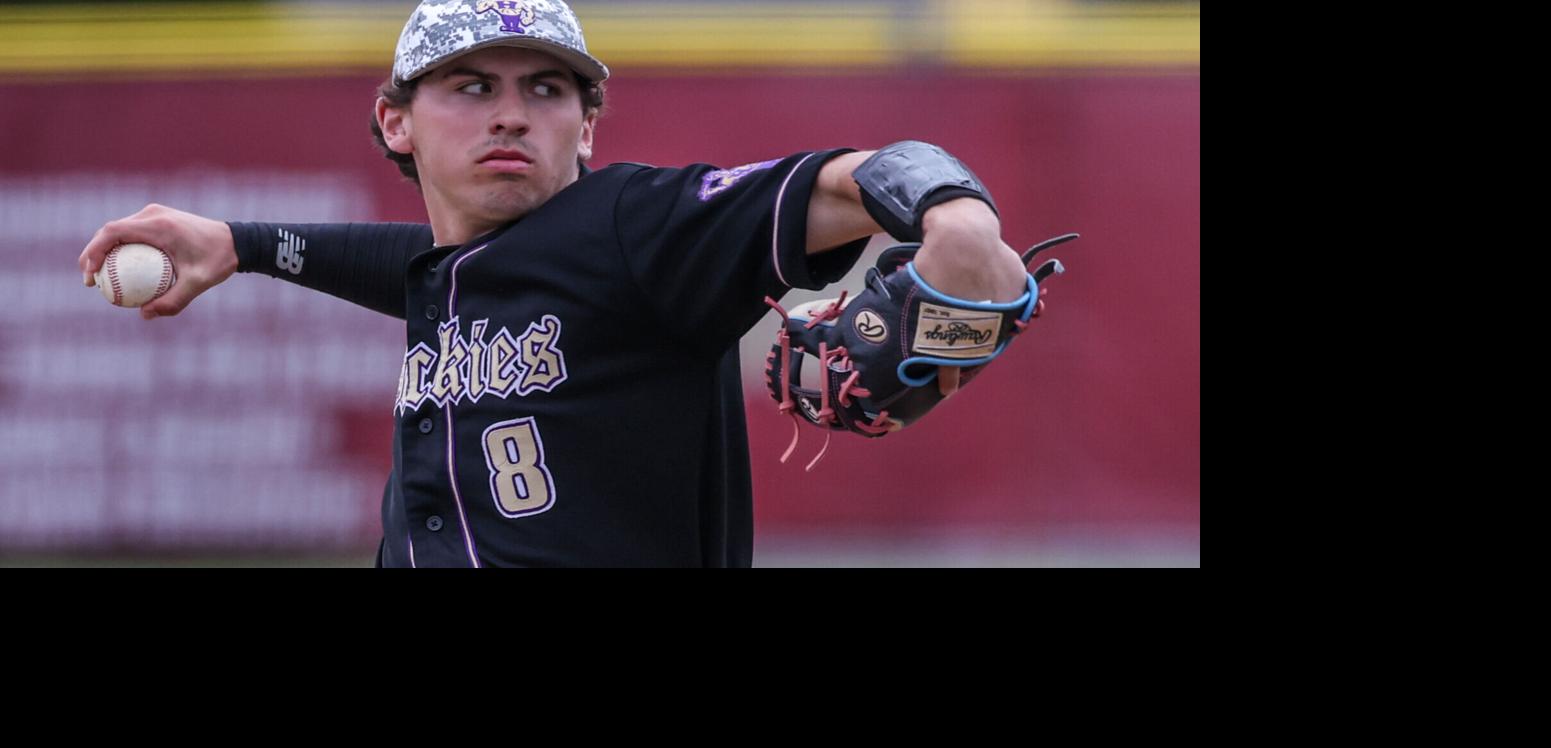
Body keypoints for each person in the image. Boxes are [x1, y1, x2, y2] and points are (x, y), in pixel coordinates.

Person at [77, 0, 1030, 568]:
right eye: (471, 86)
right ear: (396, 122)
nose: (511, 113)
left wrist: (959, 219)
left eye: (545, 88)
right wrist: (238, 243)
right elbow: (404, 267)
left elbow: (864, 172)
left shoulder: (635, 228)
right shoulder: (453, 275)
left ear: (585, 127)